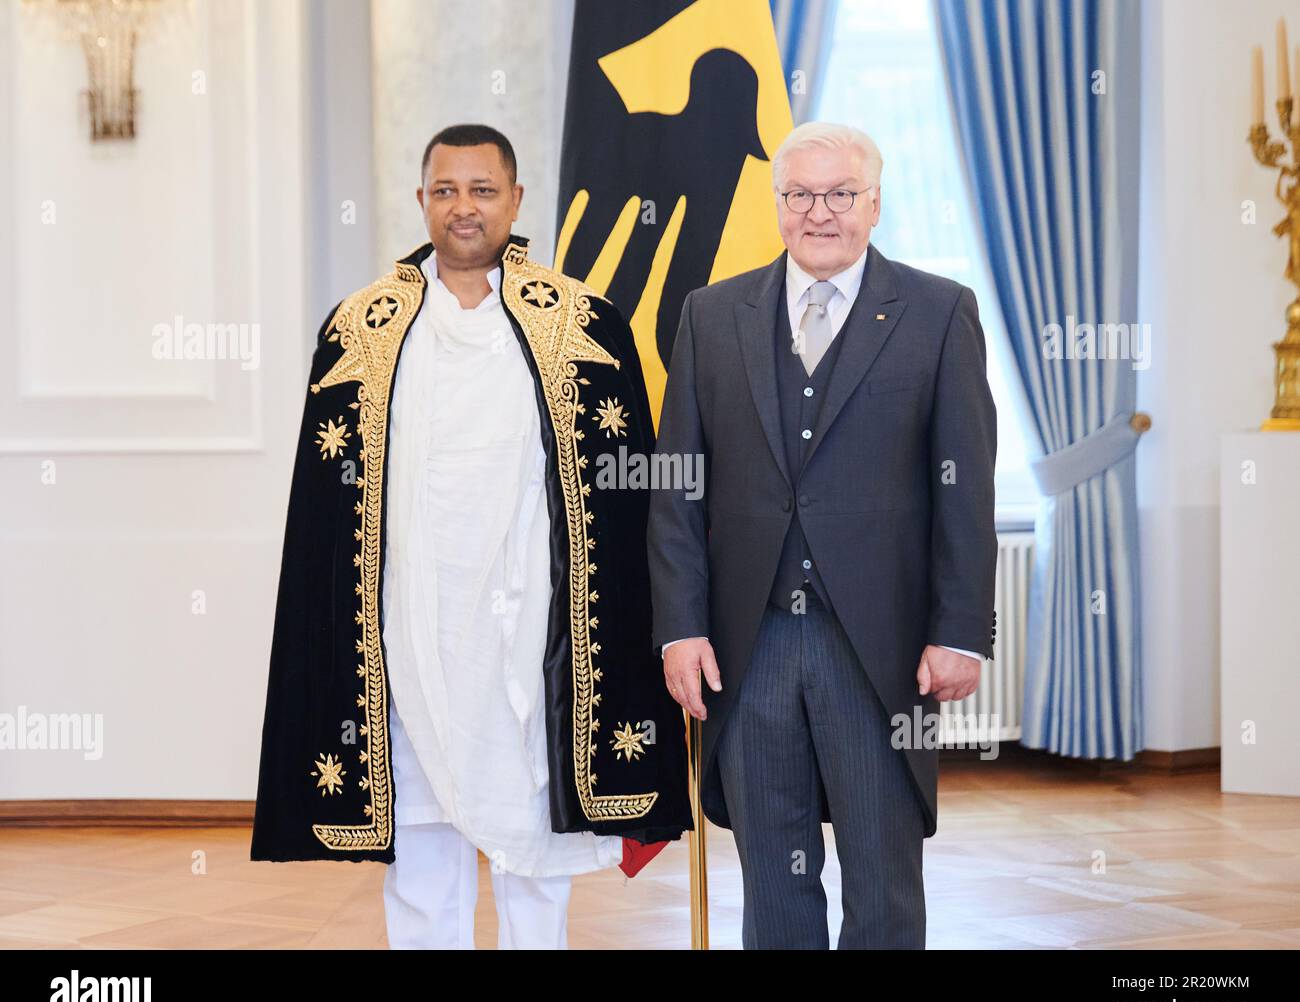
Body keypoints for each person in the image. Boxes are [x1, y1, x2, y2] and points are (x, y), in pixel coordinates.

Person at [251, 124, 690, 949]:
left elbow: (628, 504)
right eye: (446, 190)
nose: (463, 208)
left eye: (482, 190)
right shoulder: (360, 333)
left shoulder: (582, 329)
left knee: (536, 854)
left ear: (517, 201)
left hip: (533, 640)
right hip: (407, 633)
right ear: (420, 202)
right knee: (420, 854)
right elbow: (323, 517)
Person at [648, 121, 997, 949]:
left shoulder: (940, 313)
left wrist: (961, 632)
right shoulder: (711, 313)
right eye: (800, 194)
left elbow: (966, 487)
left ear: (873, 203)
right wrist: (679, 627)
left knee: (881, 880)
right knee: (773, 879)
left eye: (840, 193)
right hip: (750, 645)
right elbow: (677, 487)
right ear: (777, 205)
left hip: (878, 653)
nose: (819, 212)